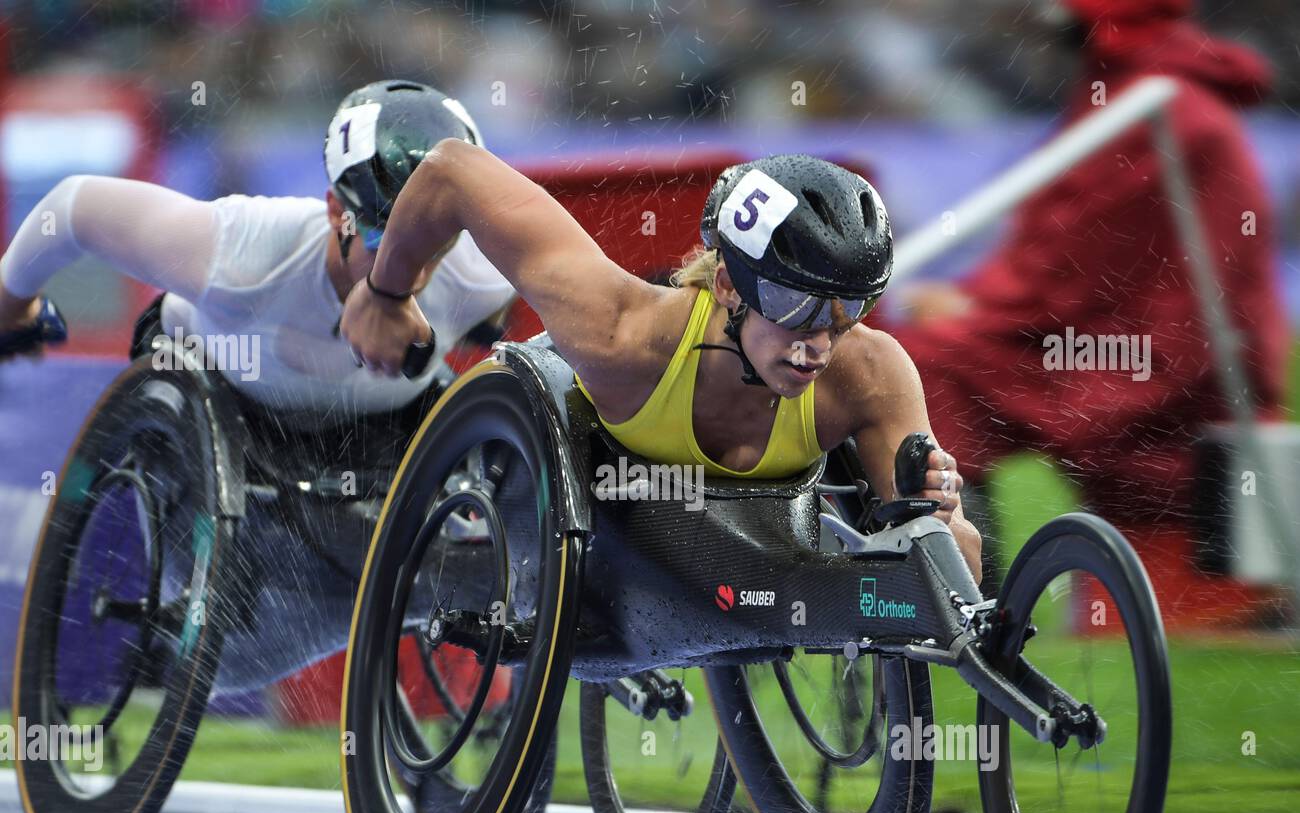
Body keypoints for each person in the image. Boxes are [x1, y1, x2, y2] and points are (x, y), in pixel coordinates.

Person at [340, 147, 983, 581]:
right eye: (792, 303)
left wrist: (939, 523)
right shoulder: (618, 333)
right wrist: (386, 291)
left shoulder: (870, 373)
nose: (817, 340)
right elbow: (452, 168)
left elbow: (959, 579)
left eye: (845, 308)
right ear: (728, 285)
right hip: (582, 476)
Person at [893, 0, 1287, 581]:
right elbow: (1072, 251)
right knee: (928, 351)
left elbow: (1074, 263)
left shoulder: (1158, 108)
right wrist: (984, 301)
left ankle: (958, 589)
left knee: (925, 365)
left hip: (1166, 365)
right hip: (1149, 344)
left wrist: (980, 306)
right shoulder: (1146, 94)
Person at [0, 80, 516, 418]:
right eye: (384, 234)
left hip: (381, 419)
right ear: (337, 210)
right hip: (219, 389)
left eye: (436, 240)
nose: (414, 264)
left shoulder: (484, 272)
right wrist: (11, 306)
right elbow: (73, 208)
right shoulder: (243, 252)